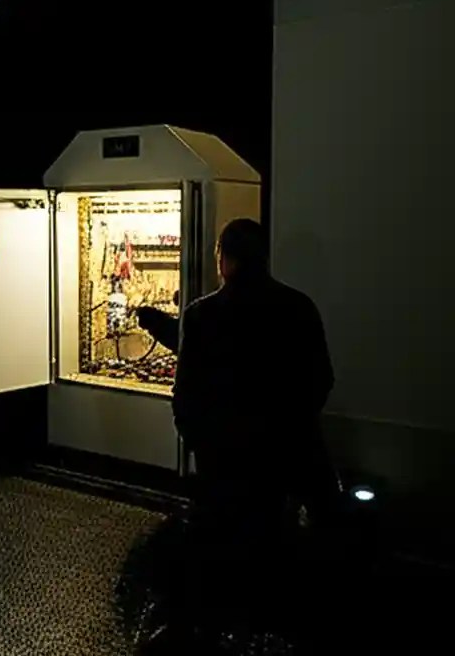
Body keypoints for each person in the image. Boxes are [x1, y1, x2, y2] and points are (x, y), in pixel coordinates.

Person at [142, 219, 337, 649]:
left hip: (222, 462)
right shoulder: (299, 308)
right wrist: (292, 431)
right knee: (273, 543)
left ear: (223, 260)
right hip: (280, 458)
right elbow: (321, 379)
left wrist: (199, 442)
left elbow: (186, 394)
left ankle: (225, 629)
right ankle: (270, 626)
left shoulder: (200, 315)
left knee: (221, 552)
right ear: (264, 257)